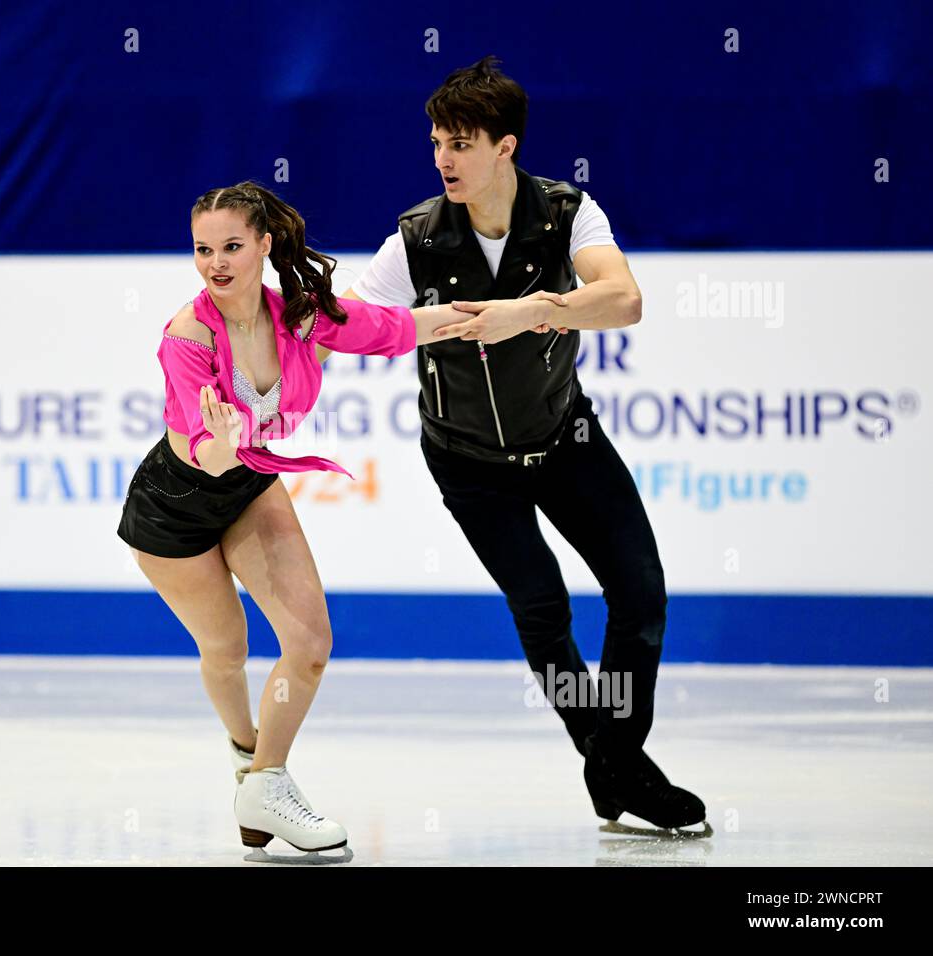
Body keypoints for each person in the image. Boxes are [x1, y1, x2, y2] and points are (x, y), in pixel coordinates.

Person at [344, 57, 709, 833]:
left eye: (462, 143)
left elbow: (624, 301)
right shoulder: (413, 242)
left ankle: (615, 759)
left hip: (565, 437)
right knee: (543, 608)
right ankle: (619, 768)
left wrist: (531, 309)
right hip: (468, 460)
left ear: (505, 147)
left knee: (639, 596)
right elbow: (352, 326)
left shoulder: (567, 212)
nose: (444, 157)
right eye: (437, 140)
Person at [117, 182, 482, 855]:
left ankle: (265, 783)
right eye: (203, 249)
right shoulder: (187, 335)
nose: (215, 262)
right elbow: (204, 448)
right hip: (173, 506)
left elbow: (395, 329)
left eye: (230, 246)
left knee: (309, 642)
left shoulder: (303, 317)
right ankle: (247, 760)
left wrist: (488, 317)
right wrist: (223, 439)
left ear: (263, 243)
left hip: (250, 484)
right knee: (226, 647)